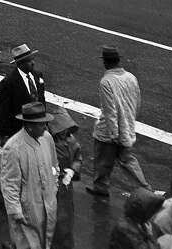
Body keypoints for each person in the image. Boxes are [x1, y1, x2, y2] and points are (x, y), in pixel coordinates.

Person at [87, 45, 150, 198]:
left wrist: (114, 134)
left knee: (103, 161)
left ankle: (101, 187)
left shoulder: (106, 82)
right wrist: (129, 123)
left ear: (105, 63)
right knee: (128, 161)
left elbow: (110, 111)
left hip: (109, 132)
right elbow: (137, 102)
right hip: (127, 128)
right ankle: (146, 187)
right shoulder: (131, 77)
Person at [0, 101, 59, 249]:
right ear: (29, 126)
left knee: (46, 242)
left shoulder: (47, 138)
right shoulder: (13, 148)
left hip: (48, 206)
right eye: (41, 124)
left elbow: (54, 166)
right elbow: (9, 184)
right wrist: (15, 211)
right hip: (27, 212)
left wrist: (54, 188)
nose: (45, 127)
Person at [0, 43, 48, 140]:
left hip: (38, 127)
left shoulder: (38, 75)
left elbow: (42, 100)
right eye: (29, 61)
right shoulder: (8, 82)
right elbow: (3, 111)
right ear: (20, 64)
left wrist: (44, 122)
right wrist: (5, 134)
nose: (33, 63)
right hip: (18, 130)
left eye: (32, 59)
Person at [49, 106, 83, 249]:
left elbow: (78, 158)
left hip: (65, 185)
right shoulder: (48, 141)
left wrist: (72, 171)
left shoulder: (72, 141)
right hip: (52, 184)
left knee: (66, 215)